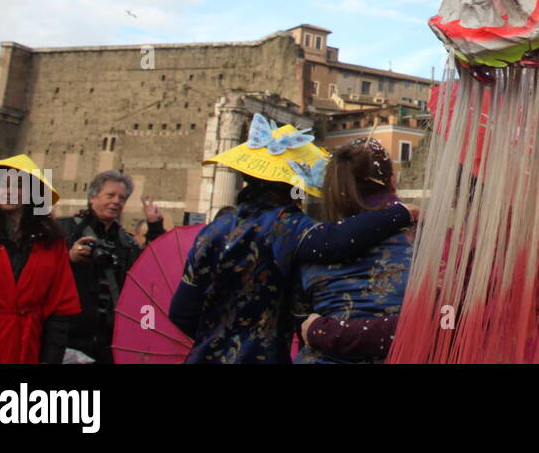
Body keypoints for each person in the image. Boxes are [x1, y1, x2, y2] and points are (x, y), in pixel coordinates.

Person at [168, 114, 415, 363]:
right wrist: (401, 213)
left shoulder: (211, 232)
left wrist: (220, 335)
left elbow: (180, 311)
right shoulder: (286, 225)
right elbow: (337, 240)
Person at [295, 137, 415, 364]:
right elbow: (441, 325)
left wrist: (325, 332)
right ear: (392, 183)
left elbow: (300, 323)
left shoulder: (311, 242)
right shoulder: (430, 244)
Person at [0, 156, 81, 364]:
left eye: (19, 185)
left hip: (28, 348)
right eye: (1, 184)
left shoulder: (52, 241)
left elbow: (59, 310)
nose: (8, 190)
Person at [59, 171, 164, 363]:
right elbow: (42, 273)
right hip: (69, 335)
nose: (116, 201)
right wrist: (68, 257)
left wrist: (155, 227)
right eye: (110, 195)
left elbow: (149, 271)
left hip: (108, 339)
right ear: (92, 197)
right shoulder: (65, 230)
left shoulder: (125, 242)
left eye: (122, 198)